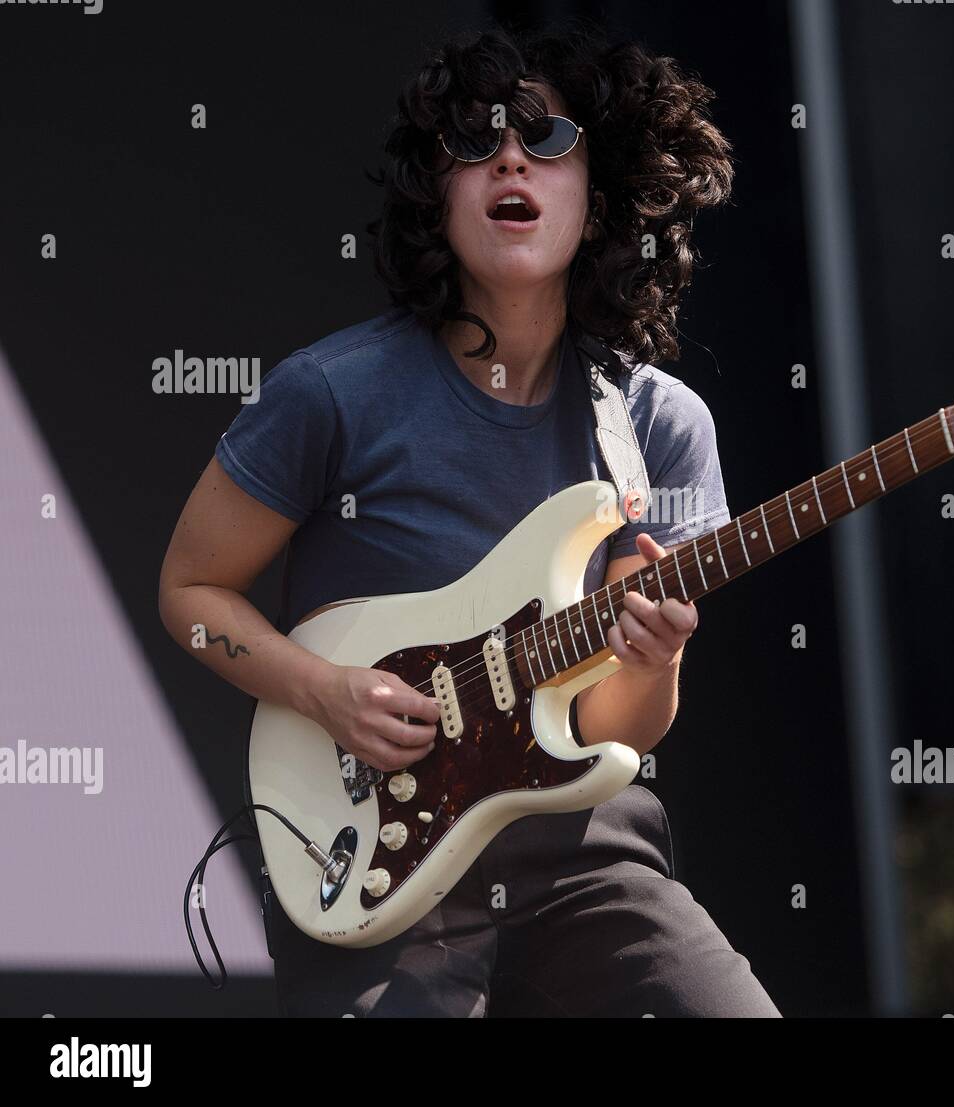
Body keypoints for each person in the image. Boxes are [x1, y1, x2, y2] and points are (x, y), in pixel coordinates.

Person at [158, 23, 780, 1017]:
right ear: (434, 196)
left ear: (600, 190)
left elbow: (616, 727)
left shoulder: (659, 425)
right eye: (472, 140)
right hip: (379, 865)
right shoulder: (330, 393)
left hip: (587, 865)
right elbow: (189, 593)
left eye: (545, 138)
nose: (506, 157)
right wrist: (322, 692)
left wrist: (653, 662)